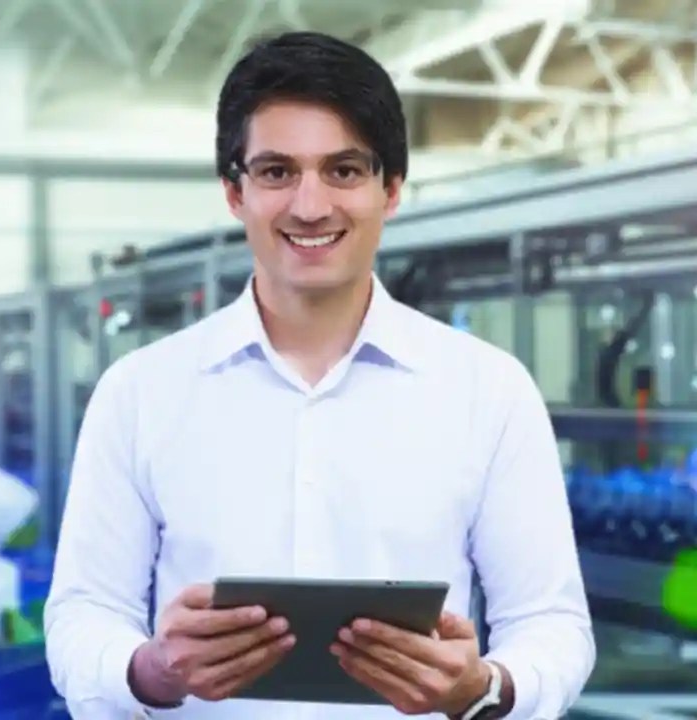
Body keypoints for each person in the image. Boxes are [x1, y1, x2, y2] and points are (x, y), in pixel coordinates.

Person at [44, 31, 595, 720]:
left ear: (391, 189)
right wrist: (149, 670)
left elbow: (552, 625)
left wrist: (484, 686)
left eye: (344, 170)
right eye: (277, 171)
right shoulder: (139, 393)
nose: (309, 206)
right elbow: (82, 615)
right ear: (234, 191)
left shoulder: (489, 391)